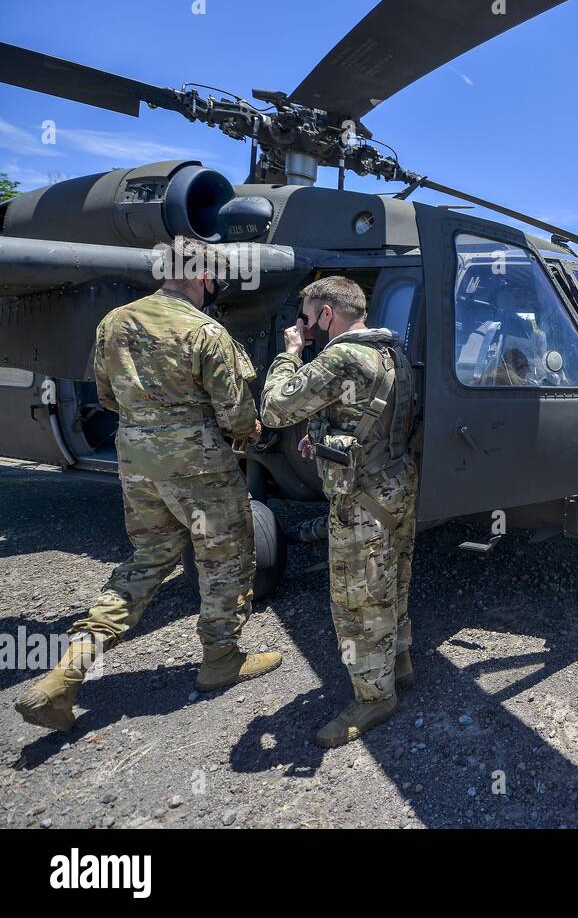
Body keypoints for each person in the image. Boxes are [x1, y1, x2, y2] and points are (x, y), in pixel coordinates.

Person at [15, 237, 281, 733]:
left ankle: (64, 673)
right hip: (198, 467)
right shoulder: (206, 331)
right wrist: (252, 434)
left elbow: (108, 397)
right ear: (203, 278)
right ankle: (220, 659)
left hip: (137, 461)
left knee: (149, 557)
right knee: (226, 558)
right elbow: (236, 413)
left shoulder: (114, 322)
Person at [260, 275, 417, 748]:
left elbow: (273, 409)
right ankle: (400, 663)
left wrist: (290, 351)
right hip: (394, 485)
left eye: (307, 317)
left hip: (360, 499)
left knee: (356, 601)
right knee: (392, 580)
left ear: (327, 314)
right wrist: (327, 440)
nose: (304, 326)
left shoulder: (342, 355)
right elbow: (375, 419)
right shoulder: (391, 353)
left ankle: (373, 697)